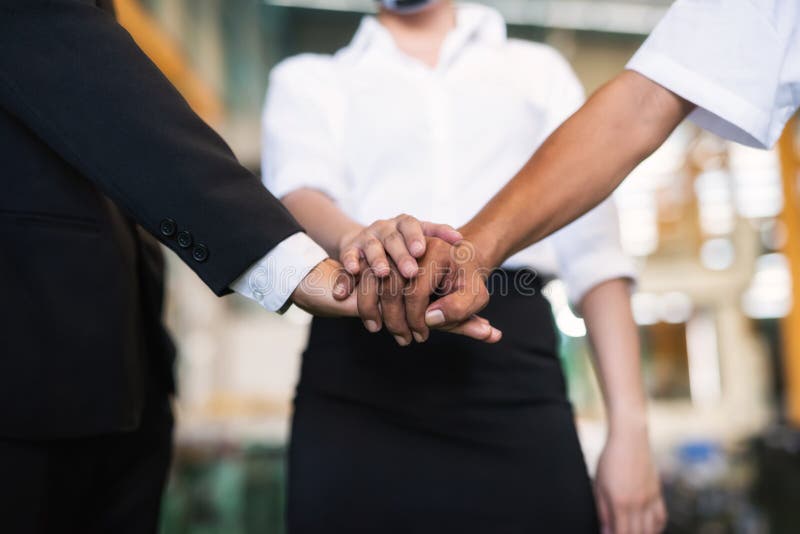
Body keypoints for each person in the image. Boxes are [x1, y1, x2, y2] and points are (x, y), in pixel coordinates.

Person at [0, 1, 473, 532]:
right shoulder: (310, 78)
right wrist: (311, 270)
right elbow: (87, 73)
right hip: (34, 370)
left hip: (109, 372)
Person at [262, 2, 665, 532]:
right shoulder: (309, 80)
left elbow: (596, 255)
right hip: (358, 378)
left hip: (515, 376)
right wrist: (358, 241)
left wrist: (630, 428)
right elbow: (298, 191)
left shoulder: (538, 71)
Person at [407, 0, 800, 333]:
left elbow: (595, 252)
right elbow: (640, 109)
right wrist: (469, 251)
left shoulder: (536, 69)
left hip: (517, 332)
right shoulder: (343, 82)